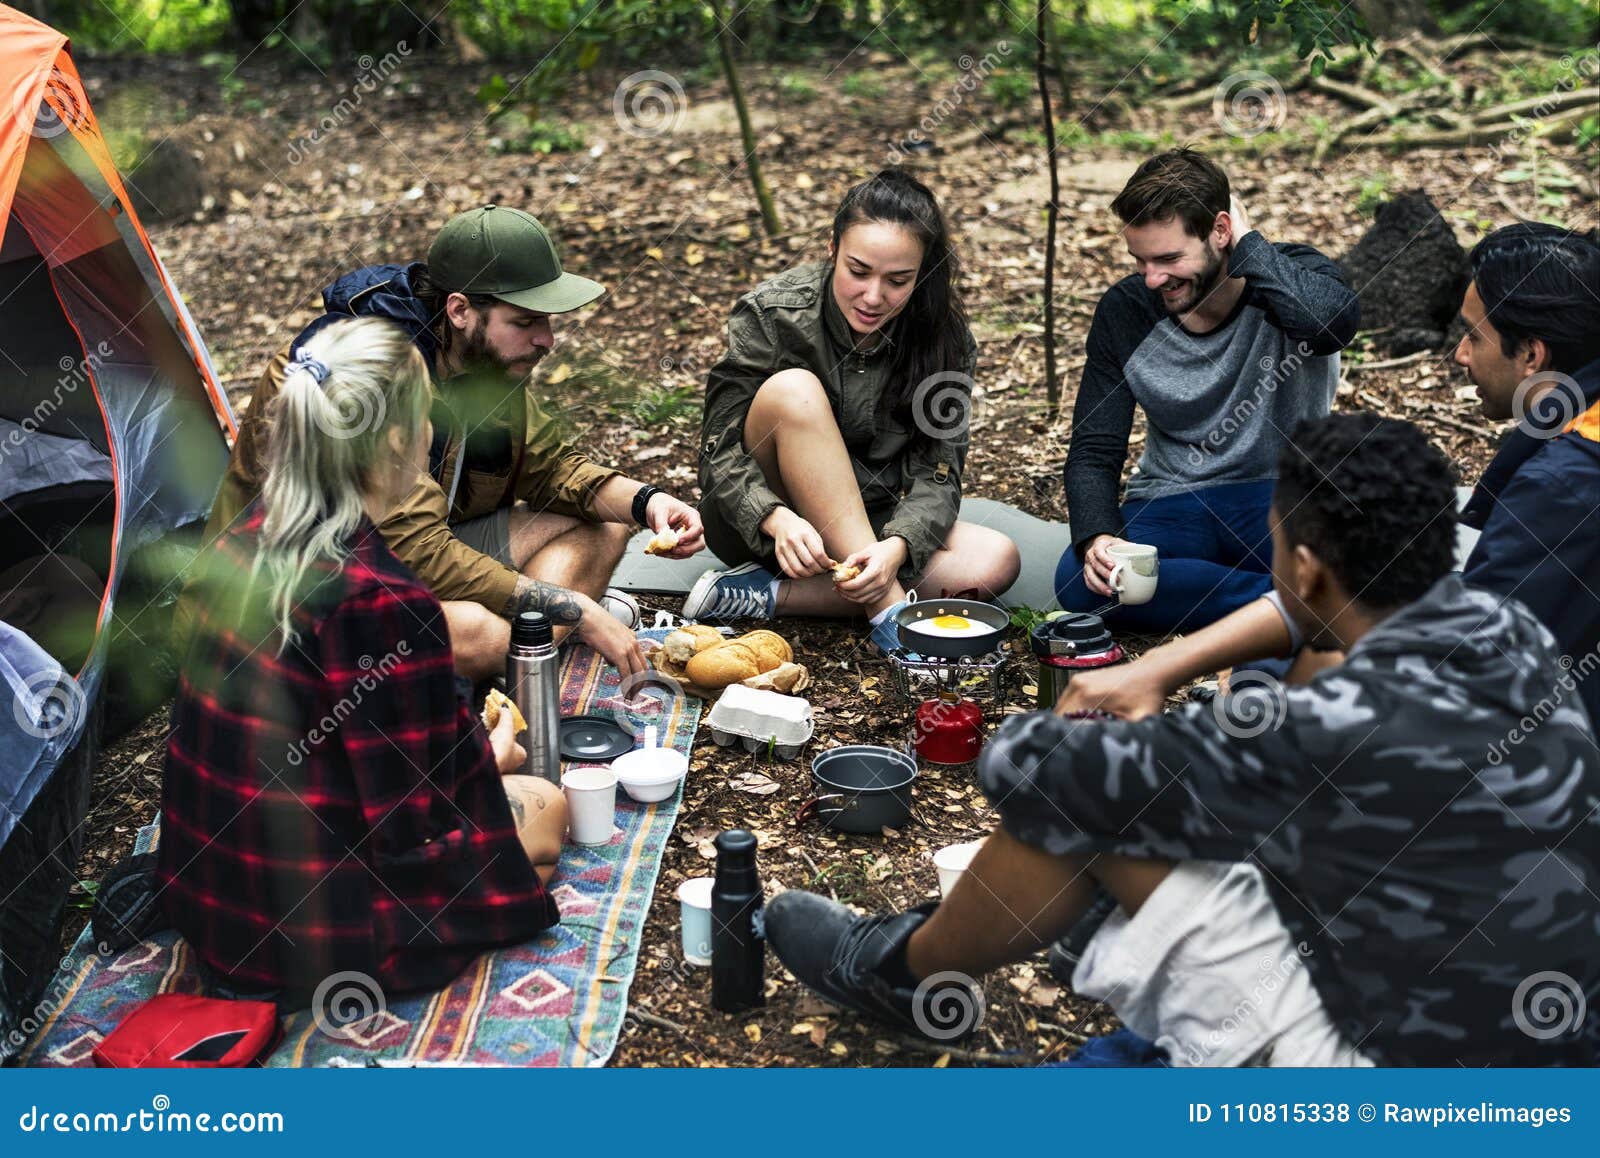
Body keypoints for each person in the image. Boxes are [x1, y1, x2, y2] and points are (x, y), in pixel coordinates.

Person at [764, 414, 1600, 1067]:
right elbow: (1310, 618)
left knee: (1087, 807)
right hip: (1542, 1041)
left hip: (1383, 1072)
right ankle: (1010, 939)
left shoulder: (1331, 731)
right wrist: (1160, 669)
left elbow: (1027, 768)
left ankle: (899, 975)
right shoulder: (1507, 628)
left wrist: (1110, 738)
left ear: (1306, 564)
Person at [160, 317, 567, 1005]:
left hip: (209, 904)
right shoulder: (383, 602)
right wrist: (487, 757)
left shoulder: (240, 539)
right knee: (546, 809)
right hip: (312, 944)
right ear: (397, 439)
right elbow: (415, 821)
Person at [186, 205, 703, 681]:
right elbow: (413, 550)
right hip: (300, 597)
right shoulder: (364, 380)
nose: (545, 338)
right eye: (524, 322)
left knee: (607, 526)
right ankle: (518, 660)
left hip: (410, 560)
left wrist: (648, 502)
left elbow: (553, 470)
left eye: (545, 321)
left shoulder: (485, 363)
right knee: (475, 628)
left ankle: (518, 660)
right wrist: (571, 606)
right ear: (459, 310)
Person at [685, 169, 1019, 653]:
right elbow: (718, 451)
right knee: (794, 390)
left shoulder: (944, 337)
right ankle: (888, 612)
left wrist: (897, 547)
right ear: (831, 249)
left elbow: (939, 470)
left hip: (870, 524)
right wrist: (774, 517)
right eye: (857, 271)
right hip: (761, 526)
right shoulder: (773, 314)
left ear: (923, 272)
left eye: (898, 280)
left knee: (994, 561)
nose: (873, 297)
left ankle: (765, 595)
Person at [1055, 148, 1359, 635]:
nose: (1153, 277)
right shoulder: (1126, 311)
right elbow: (1095, 448)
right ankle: (1289, 602)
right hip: (1175, 500)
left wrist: (1251, 249)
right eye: (1141, 260)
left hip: (1279, 495)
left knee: (1353, 549)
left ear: (1221, 231)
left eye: (1170, 258)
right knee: (1078, 582)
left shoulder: (1289, 277)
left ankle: (1276, 599)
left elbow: (1330, 327)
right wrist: (1097, 536)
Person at [1456, 223, 1600, 727]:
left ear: (1531, 355)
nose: (1461, 355)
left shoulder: (1560, 484)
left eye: (1474, 336)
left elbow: (1472, 656)